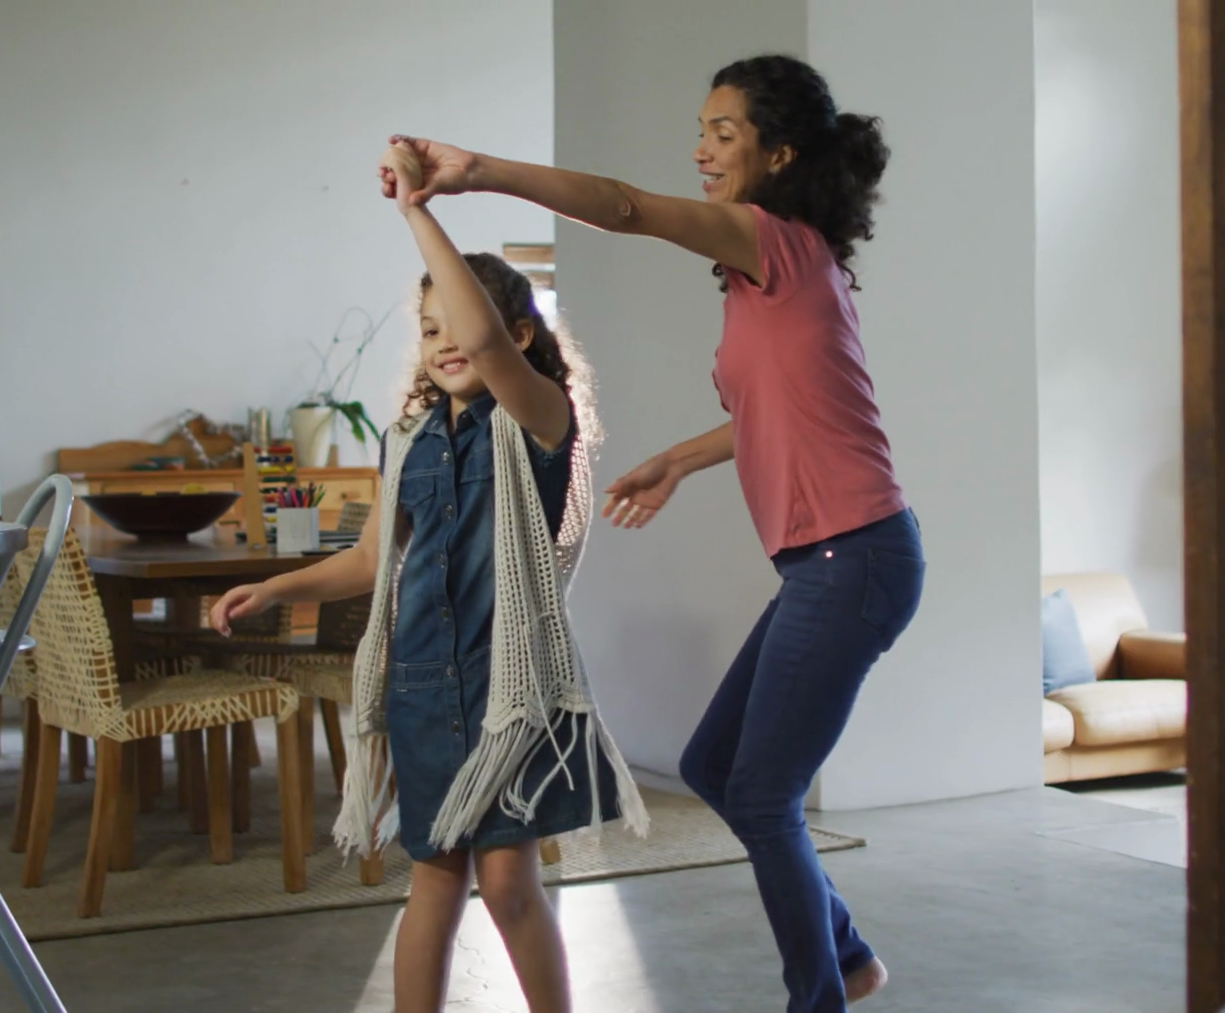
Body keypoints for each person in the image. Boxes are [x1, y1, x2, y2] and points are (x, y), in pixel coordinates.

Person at [384, 54, 925, 1011]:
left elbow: (626, 207)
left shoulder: (774, 240)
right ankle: (843, 954)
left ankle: (823, 993)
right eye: (703, 130)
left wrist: (477, 173)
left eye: (724, 133)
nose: (703, 150)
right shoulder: (775, 275)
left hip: (857, 557)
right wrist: (679, 457)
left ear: (779, 152)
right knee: (718, 766)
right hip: (828, 563)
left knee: (763, 794)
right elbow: (795, 411)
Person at [209, 141, 646, 1013]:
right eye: (430, 328)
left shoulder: (537, 423)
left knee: (510, 884)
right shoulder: (405, 442)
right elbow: (374, 561)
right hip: (417, 688)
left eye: (461, 323)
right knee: (432, 886)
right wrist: (278, 590)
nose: (447, 341)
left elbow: (483, 341)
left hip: (507, 690)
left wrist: (417, 209)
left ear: (518, 335)